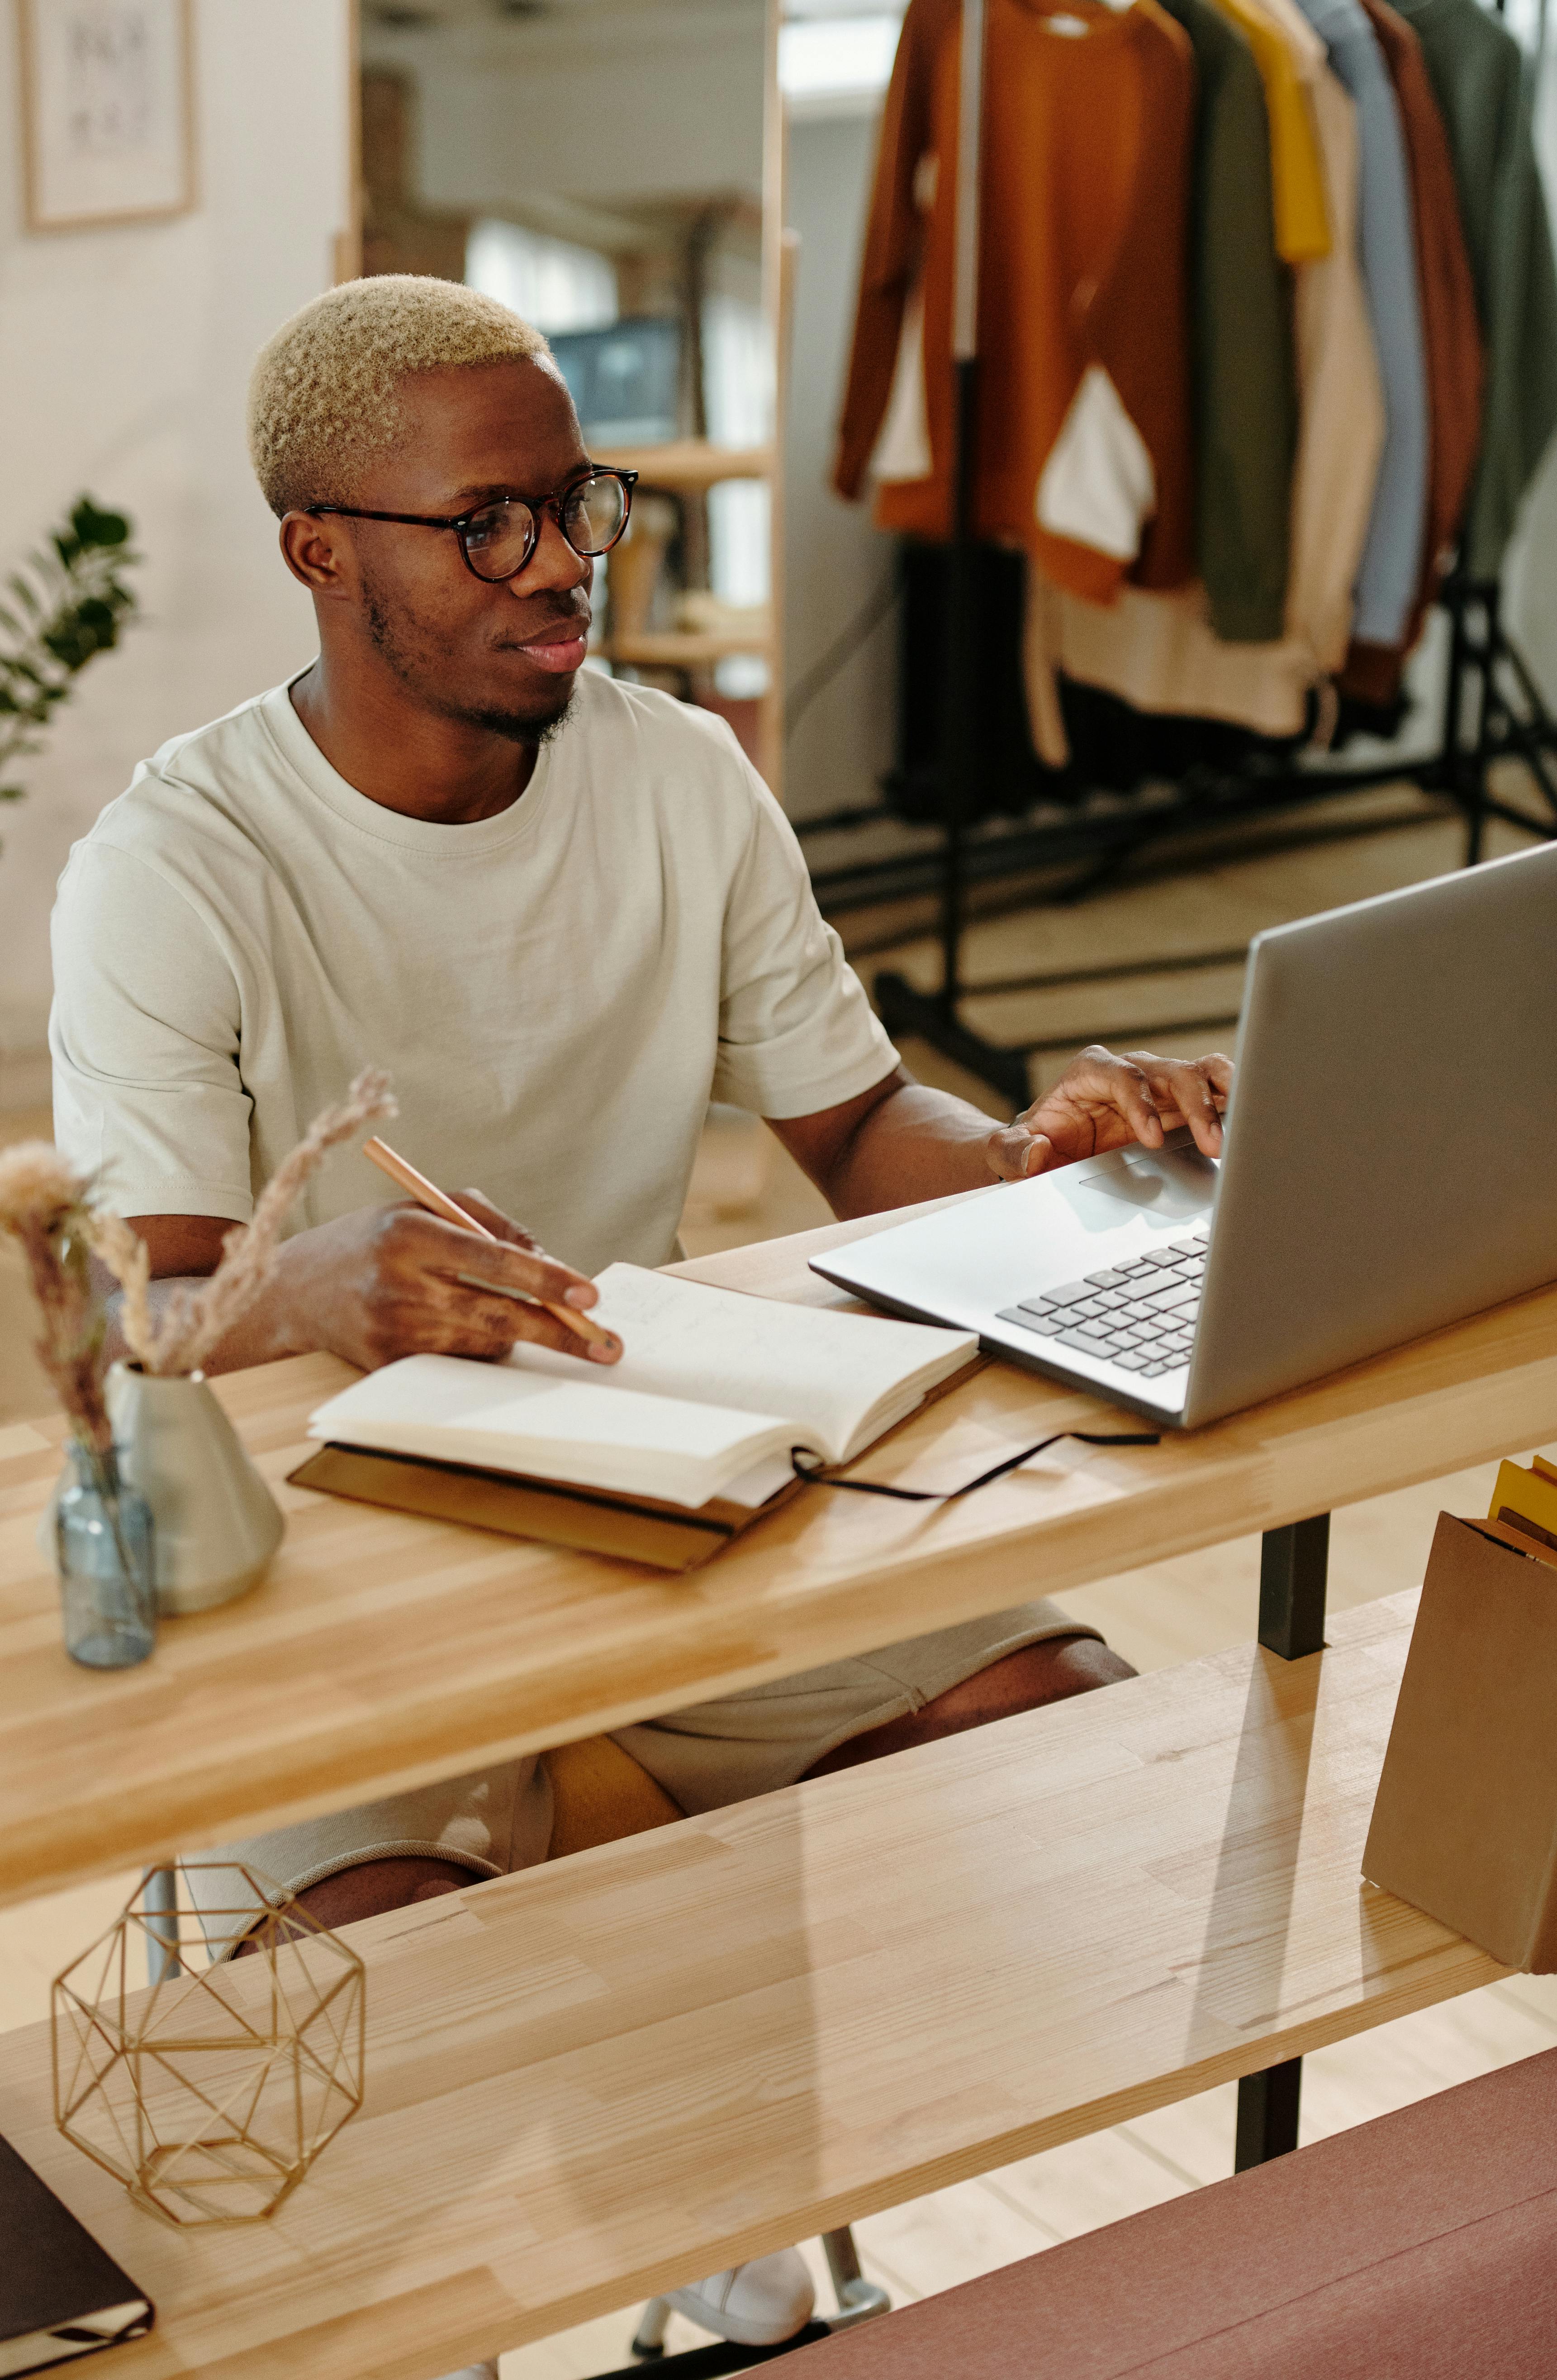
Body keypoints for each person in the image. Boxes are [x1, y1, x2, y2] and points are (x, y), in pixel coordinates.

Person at [50, 276, 1232, 2357]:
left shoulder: (681, 778)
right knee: (395, 1978)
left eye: (579, 503)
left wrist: (1033, 1149)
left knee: (1080, 1713)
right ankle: (558, 2278)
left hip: (668, 1494)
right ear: (322, 547)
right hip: (332, 1577)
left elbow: (865, 1126)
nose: (567, 564)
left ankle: (792, 2267)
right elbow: (149, 1309)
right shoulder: (178, 865)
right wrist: (321, 1281)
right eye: (489, 522)